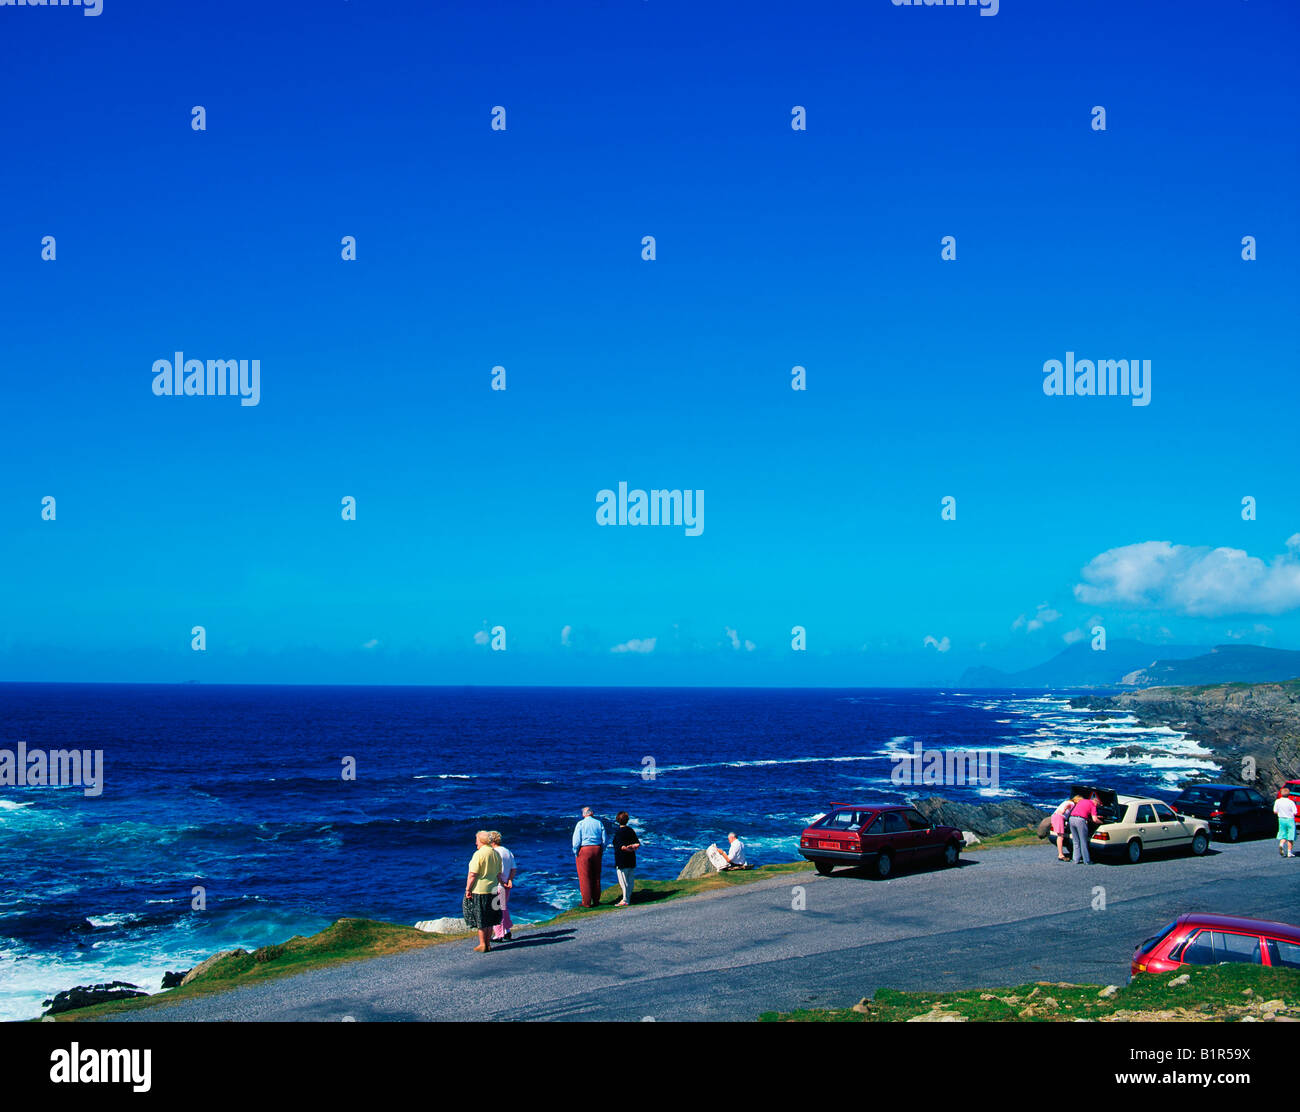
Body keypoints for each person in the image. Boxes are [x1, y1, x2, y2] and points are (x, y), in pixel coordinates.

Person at [464, 829, 502, 952]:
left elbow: (472, 874)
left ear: (481, 841)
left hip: (480, 889)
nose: (476, 843)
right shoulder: (496, 854)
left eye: (476, 840)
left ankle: (482, 944)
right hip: (493, 888)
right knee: (490, 918)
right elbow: (499, 873)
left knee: (481, 918)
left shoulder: (479, 854)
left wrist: (468, 889)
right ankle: (488, 943)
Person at [571, 806, 607, 907]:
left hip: (584, 849)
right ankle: (596, 900)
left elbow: (576, 841)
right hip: (597, 849)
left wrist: (576, 852)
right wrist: (601, 849)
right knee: (596, 875)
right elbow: (604, 839)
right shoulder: (598, 823)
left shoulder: (580, 824)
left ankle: (586, 902)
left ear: (584, 814)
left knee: (584, 877)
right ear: (592, 813)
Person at [489, 831, 517, 941]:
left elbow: (495, 870)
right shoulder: (507, 851)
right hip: (506, 884)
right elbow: (513, 868)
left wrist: (500, 881)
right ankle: (507, 931)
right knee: (503, 907)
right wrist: (510, 880)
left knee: (496, 908)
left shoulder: (494, 852)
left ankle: (499, 934)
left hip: (498, 884)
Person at [611, 812, 641, 907]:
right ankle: (628, 898)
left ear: (617, 820)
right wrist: (632, 847)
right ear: (627, 820)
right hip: (631, 858)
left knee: (623, 881)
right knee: (630, 879)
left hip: (622, 859)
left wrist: (628, 848)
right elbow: (637, 844)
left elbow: (622, 847)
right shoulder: (631, 830)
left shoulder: (618, 833)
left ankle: (625, 899)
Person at [1067, 793, 1100, 864]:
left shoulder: (1082, 801)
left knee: (1075, 841)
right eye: (1098, 805)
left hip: (1071, 818)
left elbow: (1083, 810)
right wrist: (1101, 822)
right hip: (1080, 821)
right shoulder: (1093, 805)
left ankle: (1076, 859)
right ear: (1096, 802)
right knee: (1083, 841)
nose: (1097, 807)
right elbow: (1095, 819)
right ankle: (1087, 860)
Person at [1051, 796, 1077, 862]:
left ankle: (1060, 854)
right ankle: (1060, 855)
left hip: (1055, 816)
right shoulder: (1072, 803)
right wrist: (1063, 811)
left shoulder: (1066, 801)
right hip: (1059, 817)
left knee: (1060, 836)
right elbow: (1067, 806)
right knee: (1060, 837)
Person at [1274, 787, 1297, 858]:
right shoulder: (1291, 802)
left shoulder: (1277, 801)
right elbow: (1295, 812)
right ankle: (1289, 852)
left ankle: (1281, 845)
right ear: (1289, 794)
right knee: (1290, 836)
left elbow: (1275, 811)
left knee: (1283, 833)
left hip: (1281, 819)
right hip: (1290, 819)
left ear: (1281, 794)